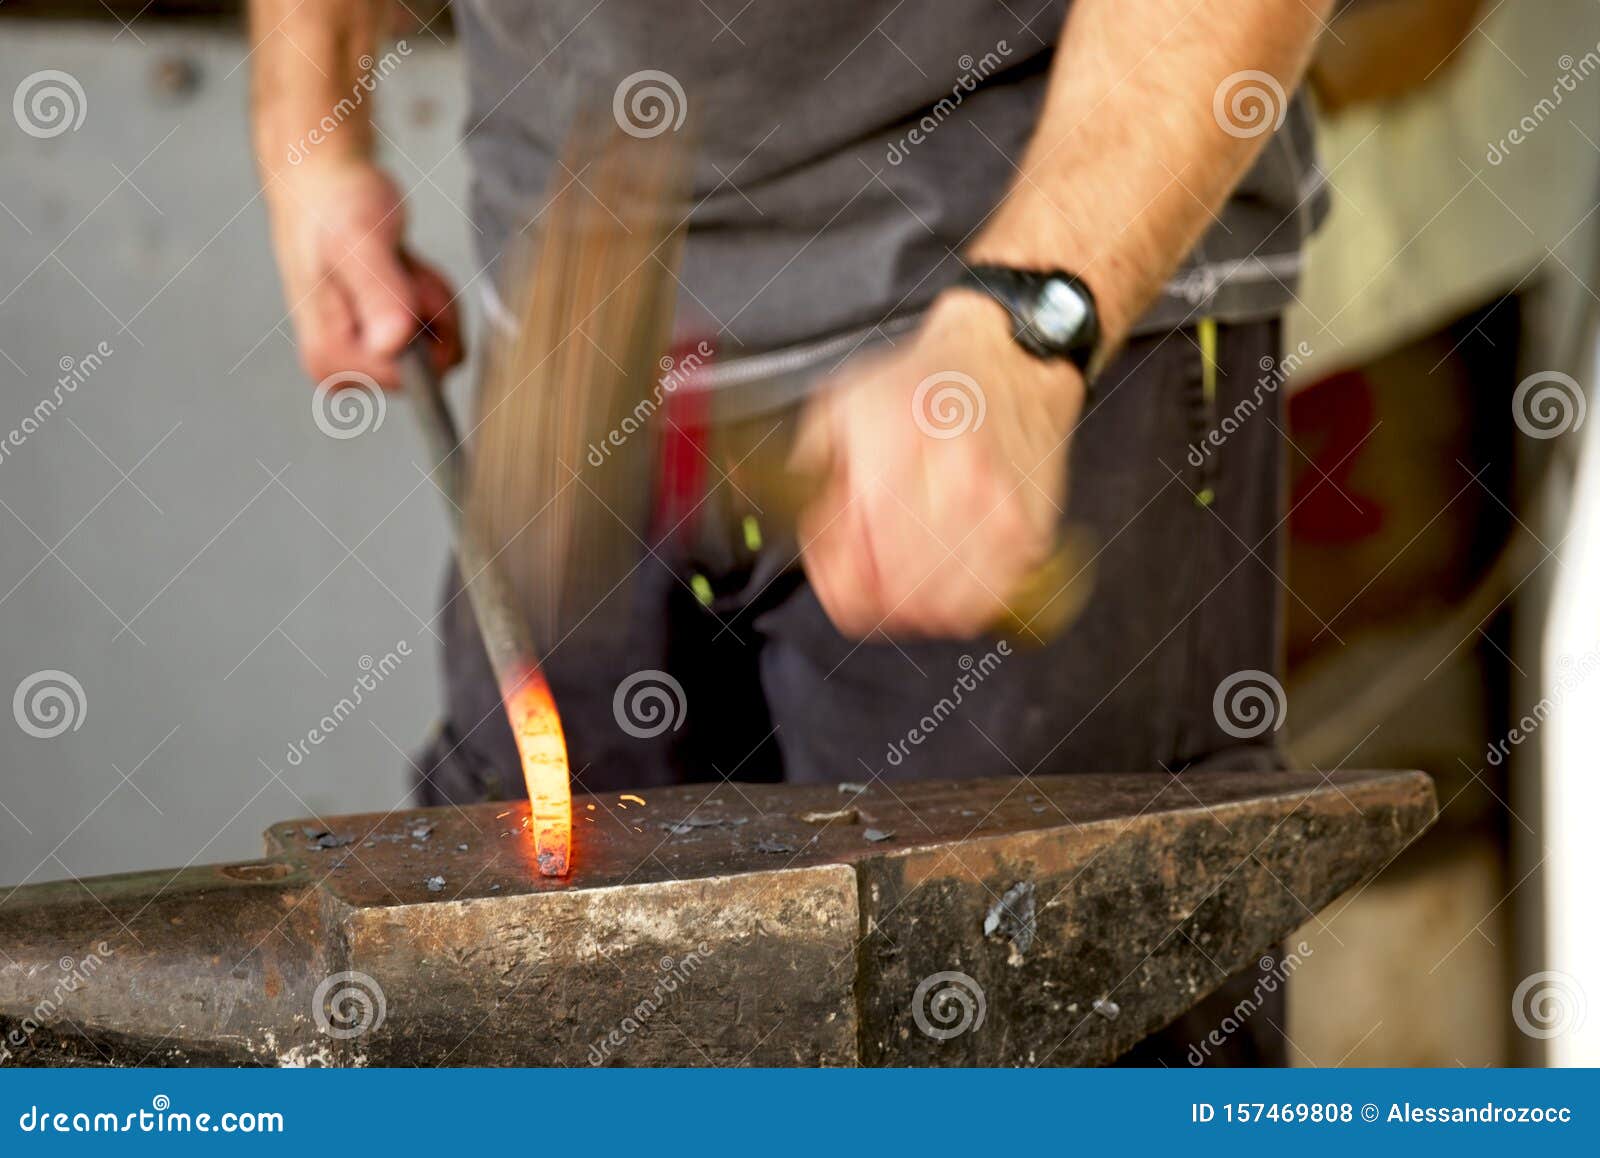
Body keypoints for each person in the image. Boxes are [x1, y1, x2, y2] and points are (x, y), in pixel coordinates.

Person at [250, 0, 1333, 1065]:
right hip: (576, 308)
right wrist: (308, 132)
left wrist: (1029, 322)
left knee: (1018, 999)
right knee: (517, 990)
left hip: (1021, 276)